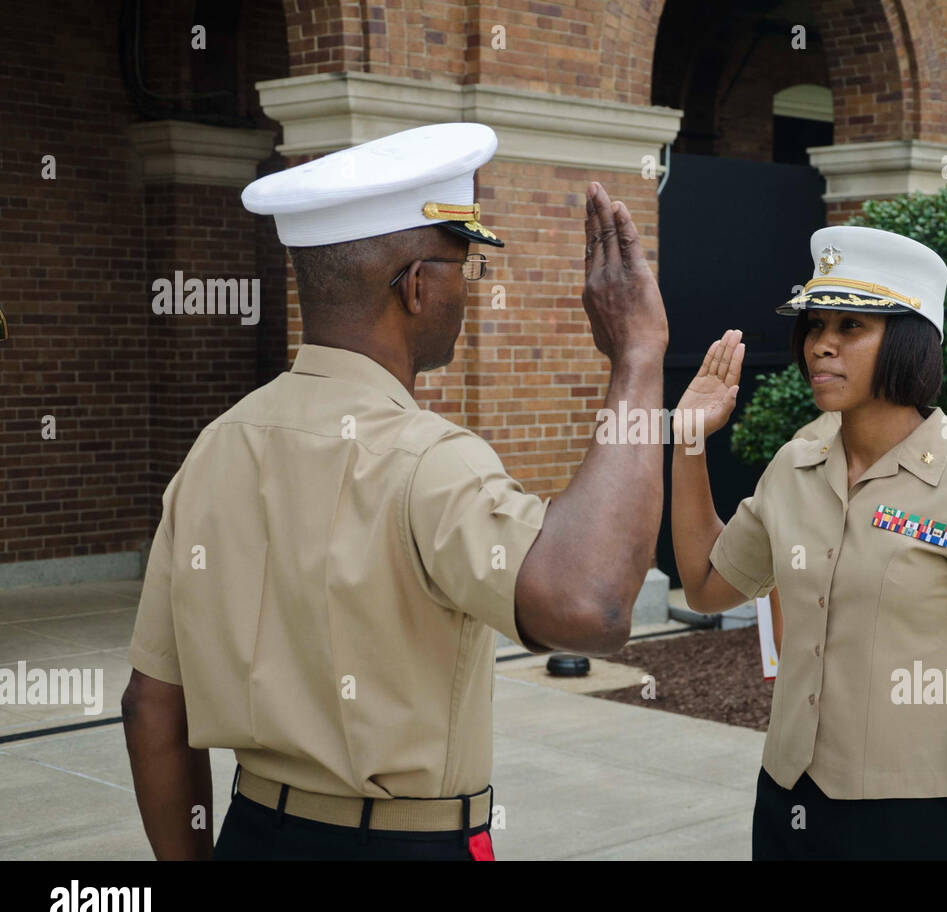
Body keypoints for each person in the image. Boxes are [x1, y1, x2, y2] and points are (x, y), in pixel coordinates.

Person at [120, 122, 668, 860]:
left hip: (252, 834)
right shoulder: (429, 461)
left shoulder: (217, 449)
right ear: (416, 286)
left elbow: (151, 703)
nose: (467, 290)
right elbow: (592, 607)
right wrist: (636, 359)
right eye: (463, 266)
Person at [671, 226, 947, 860]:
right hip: (786, 808)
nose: (821, 346)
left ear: (910, 342)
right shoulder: (794, 466)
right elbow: (707, 586)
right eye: (815, 327)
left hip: (917, 824)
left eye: (851, 328)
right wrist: (688, 441)